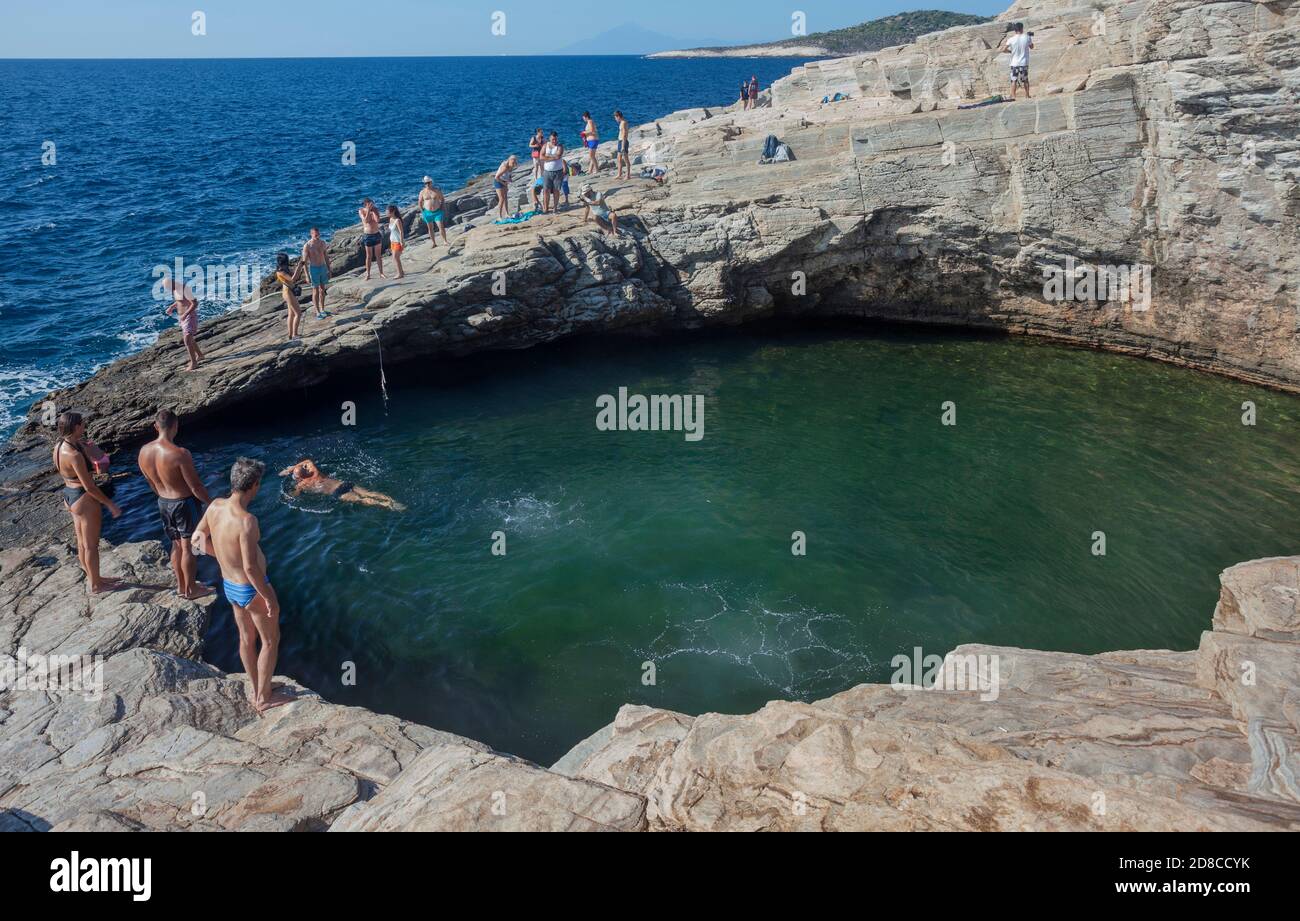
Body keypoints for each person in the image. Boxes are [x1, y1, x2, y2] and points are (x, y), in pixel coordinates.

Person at [193, 457, 291, 713]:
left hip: (230, 586)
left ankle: (258, 685)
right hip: (250, 588)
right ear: (255, 485)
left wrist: (222, 557)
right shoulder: (247, 521)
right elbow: (250, 567)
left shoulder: (214, 506)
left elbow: (195, 540)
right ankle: (264, 698)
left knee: (246, 638)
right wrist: (268, 596)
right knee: (270, 640)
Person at [137, 409, 213, 600]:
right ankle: (192, 590)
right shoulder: (180, 453)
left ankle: (181, 587)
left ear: (156, 426)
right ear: (175, 426)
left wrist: (163, 497)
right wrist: (211, 504)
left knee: (175, 545)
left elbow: (150, 482)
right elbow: (195, 486)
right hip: (184, 504)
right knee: (189, 548)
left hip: (163, 502)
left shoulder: (143, 452)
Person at [52, 411, 122, 594]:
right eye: (82, 424)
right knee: (91, 545)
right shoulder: (73, 454)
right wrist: (110, 504)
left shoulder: (60, 445)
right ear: (76, 427)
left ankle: (94, 578)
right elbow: (90, 487)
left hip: (69, 494)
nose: (84, 426)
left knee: (82, 543)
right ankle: (97, 585)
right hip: (83, 498)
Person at [278, 459, 406, 511]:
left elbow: (293, 496)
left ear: (299, 477)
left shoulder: (302, 485)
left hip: (338, 493)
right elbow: (307, 460)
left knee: (362, 500)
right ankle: (391, 500)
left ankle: (387, 505)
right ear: (306, 470)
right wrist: (293, 468)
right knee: (369, 493)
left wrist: (287, 495)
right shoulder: (315, 471)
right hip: (344, 484)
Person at [162, 278, 204, 372]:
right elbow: (179, 301)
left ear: (172, 283)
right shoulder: (175, 289)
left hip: (189, 317)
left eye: (168, 287)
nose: (168, 289)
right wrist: (171, 307)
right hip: (183, 318)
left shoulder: (184, 289)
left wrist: (185, 314)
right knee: (190, 339)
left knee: (187, 340)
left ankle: (194, 363)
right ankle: (200, 355)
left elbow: (195, 303)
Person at [999, 23, 1034, 99]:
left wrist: (1010, 52)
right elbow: (1032, 47)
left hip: (1014, 63)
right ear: (1022, 28)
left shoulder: (1011, 39)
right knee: (1025, 80)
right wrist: (1030, 38)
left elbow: (1003, 50)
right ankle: (1027, 95)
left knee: (1013, 80)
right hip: (1023, 62)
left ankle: (1013, 96)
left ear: (1015, 30)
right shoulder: (1027, 37)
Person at [301, 228, 330, 320]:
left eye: (318, 234)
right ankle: (317, 311)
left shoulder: (322, 243)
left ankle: (322, 309)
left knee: (322, 289)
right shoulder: (307, 246)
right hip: (314, 269)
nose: (317, 236)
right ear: (311, 234)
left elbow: (326, 256)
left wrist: (329, 269)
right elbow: (304, 262)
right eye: (315, 235)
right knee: (315, 291)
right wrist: (306, 275)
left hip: (322, 267)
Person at [275, 253, 305, 339]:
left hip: (288, 291)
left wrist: (300, 267)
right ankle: (295, 334)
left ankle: (290, 335)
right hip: (288, 292)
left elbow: (296, 276)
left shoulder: (284, 269)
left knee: (291, 314)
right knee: (298, 314)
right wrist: (299, 267)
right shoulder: (281, 271)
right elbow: (292, 279)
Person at [418, 177, 449, 257]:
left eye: (428, 182)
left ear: (431, 182)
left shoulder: (436, 190)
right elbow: (420, 202)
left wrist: (442, 208)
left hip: (437, 211)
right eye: (425, 183)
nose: (427, 184)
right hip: (427, 212)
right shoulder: (422, 192)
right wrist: (422, 211)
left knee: (440, 226)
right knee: (430, 228)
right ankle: (434, 243)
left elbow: (442, 199)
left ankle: (445, 241)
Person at [358, 198, 385, 279]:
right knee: (369, 256)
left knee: (378, 255)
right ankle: (368, 274)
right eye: (370, 204)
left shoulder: (375, 210)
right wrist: (368, 211)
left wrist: (373, 212)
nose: (372, 205)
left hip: (376, 234)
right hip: (368, 235)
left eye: (372, 204)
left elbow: (377, 220)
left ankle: (381, 273)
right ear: (366, 204)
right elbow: (366, 221)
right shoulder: (361, 211)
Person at [541, 132, 566, 214]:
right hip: (547, 172)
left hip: (558, 172)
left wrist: (547, 156)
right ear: (549, 139)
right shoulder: (545, 145)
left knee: (556, 190)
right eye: (552, 139)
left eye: (555, 139)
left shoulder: (560, 146)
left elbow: (558, 156)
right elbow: (541, 157)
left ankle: (555, 208)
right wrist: (552, 157)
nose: (554, 141)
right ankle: (546, 208)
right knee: (546, 190)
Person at [386, 205, 407, 279]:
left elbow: (401, 231)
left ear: (393, 212)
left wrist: (402, 242)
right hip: (392, 241)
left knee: (396, 257)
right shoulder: (391, 219)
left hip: (398, 241)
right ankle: (401, 271)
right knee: (395, 258)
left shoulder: (397, 220)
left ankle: (400, 274)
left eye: (388, 211)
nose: (386, 213)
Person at [614, 110, 631, 180]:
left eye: (615, 117)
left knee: (626, 159)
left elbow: (624, 135)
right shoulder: (622, 122)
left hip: (623, 142)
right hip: (620, 141)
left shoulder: (623, 123)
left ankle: (628, 175)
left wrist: (623, 146)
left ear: (618, 116)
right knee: (619, 158)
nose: (615, 119)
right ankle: (619, 173)